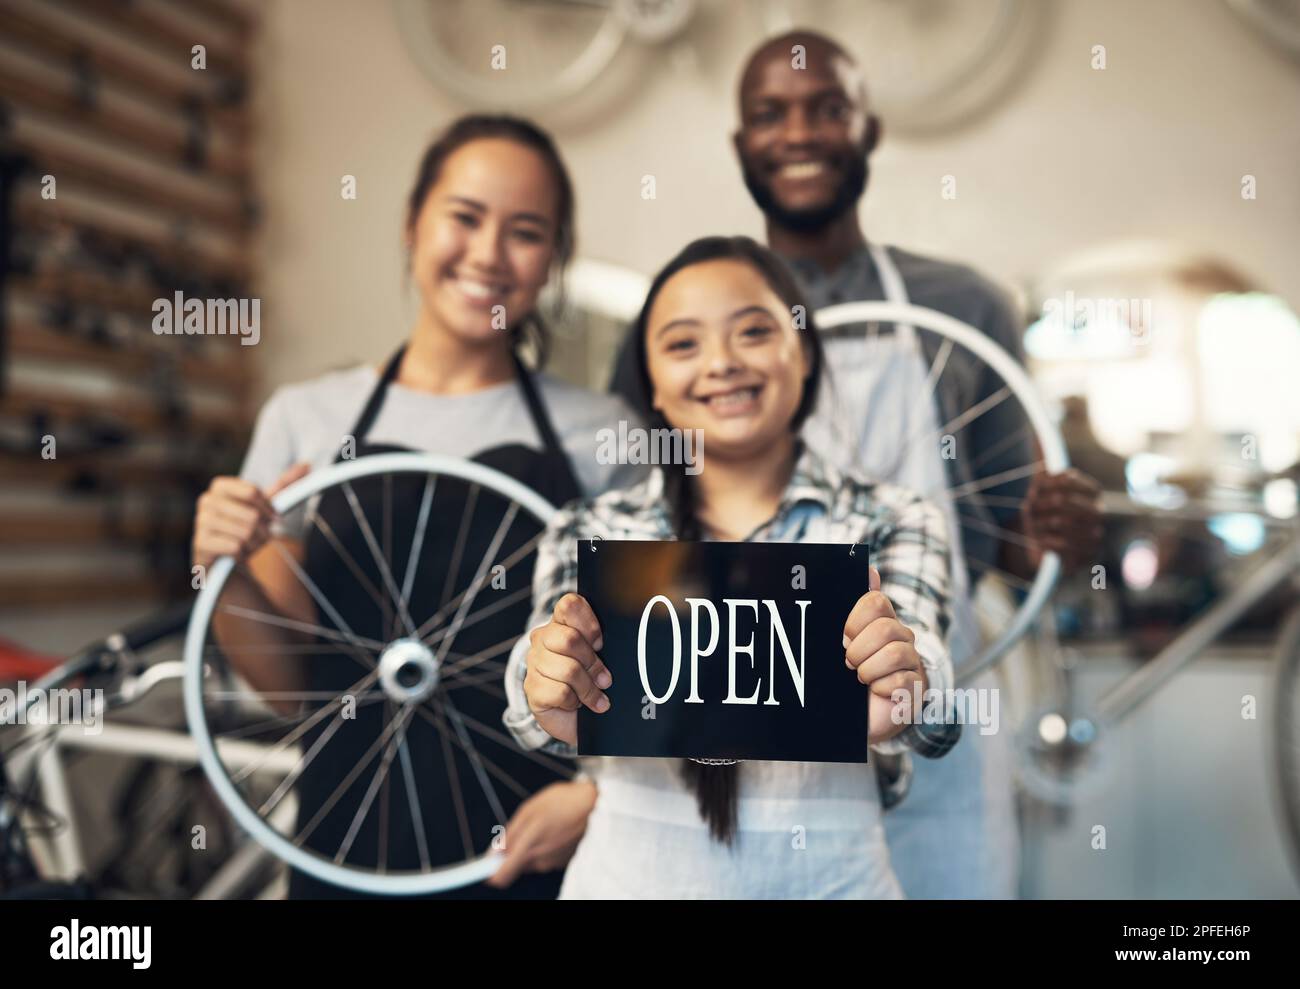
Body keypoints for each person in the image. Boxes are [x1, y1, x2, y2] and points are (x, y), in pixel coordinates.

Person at [608, 30, 1104, 898]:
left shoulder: (965, 306)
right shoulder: (676, 315)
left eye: (827, 108)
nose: (799, 132)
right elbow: (643, 550)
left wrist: (1060, 537)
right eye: (771, 113)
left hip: (927, 710)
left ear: (869, 129)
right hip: (738, 738)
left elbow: (1012, 549)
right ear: (740, 145)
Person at [192, 114, 641, 898]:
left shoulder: (605, 434)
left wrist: (598, 797)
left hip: (540, 848)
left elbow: (650, 675)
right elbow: (293, 685)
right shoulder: (307, 417)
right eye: (464, 217)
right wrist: (219, 568)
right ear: (411, 223)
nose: (489, 255)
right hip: (346, 834)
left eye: (526, 231)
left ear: (552, 261)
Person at [504, 235, 960, 898]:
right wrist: (541, 679)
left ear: (801, 352)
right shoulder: (590, 529)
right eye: (683, 343)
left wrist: (909, 678)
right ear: (652, 385)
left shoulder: (895, 518)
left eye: (752, 331)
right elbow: (527, 704)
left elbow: (937, 703)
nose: (721, 362)